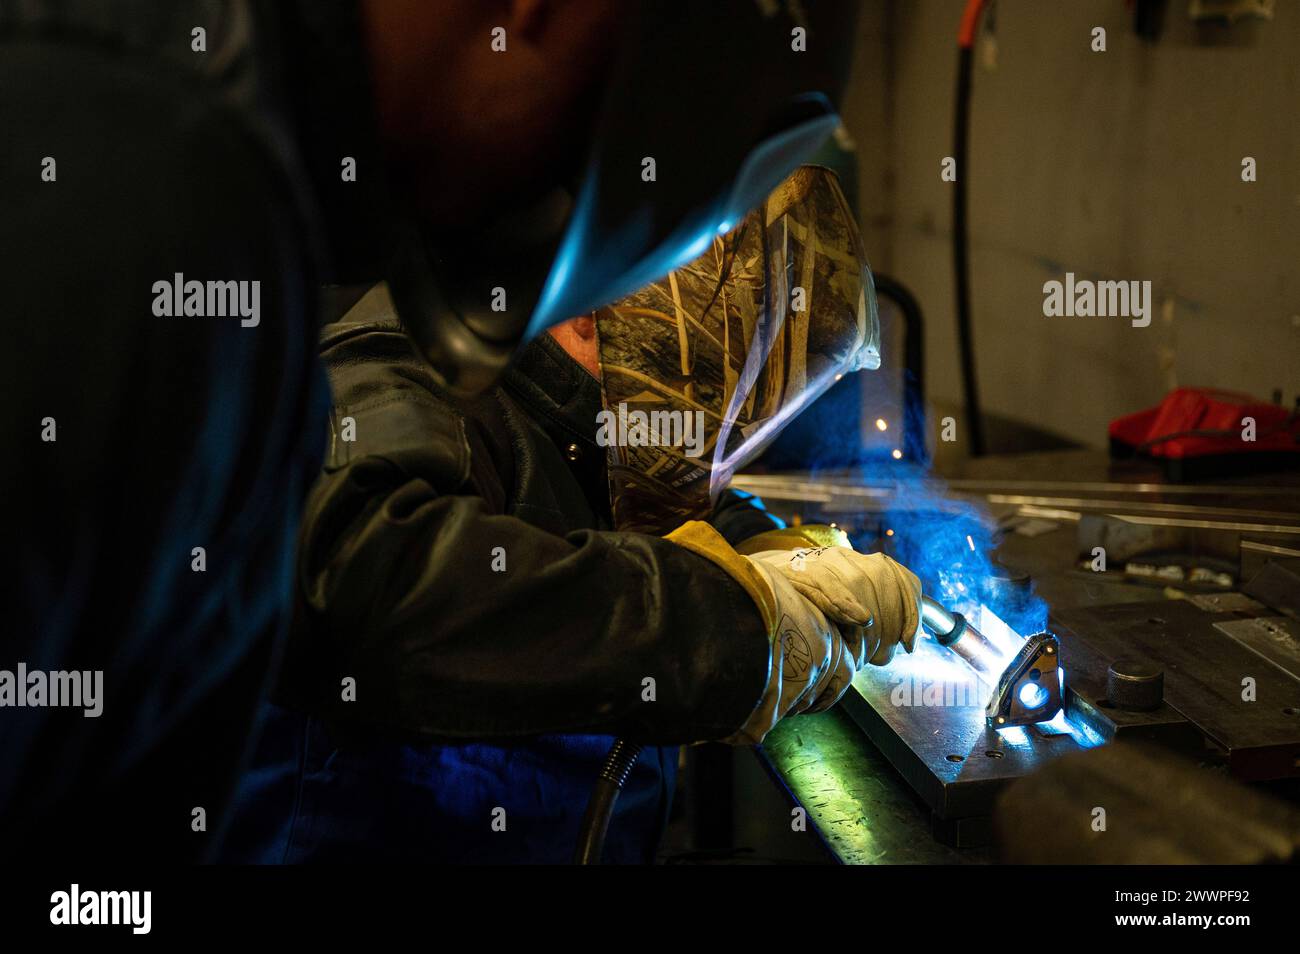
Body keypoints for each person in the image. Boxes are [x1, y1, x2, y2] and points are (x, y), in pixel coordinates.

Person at [1, 0, 862, 861]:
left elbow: (606, 515)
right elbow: (349, 560)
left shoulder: (221, 154)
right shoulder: (158, 165)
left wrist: (770, 559)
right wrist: (725, 630)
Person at [226, 165, 923, 864]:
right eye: (712, 392)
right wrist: (733, 628)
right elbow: (362, 581)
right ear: (599, 301)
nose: (717, 438)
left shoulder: (583, 411)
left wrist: (774, 551)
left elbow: (635, 508)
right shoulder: (398, 371)